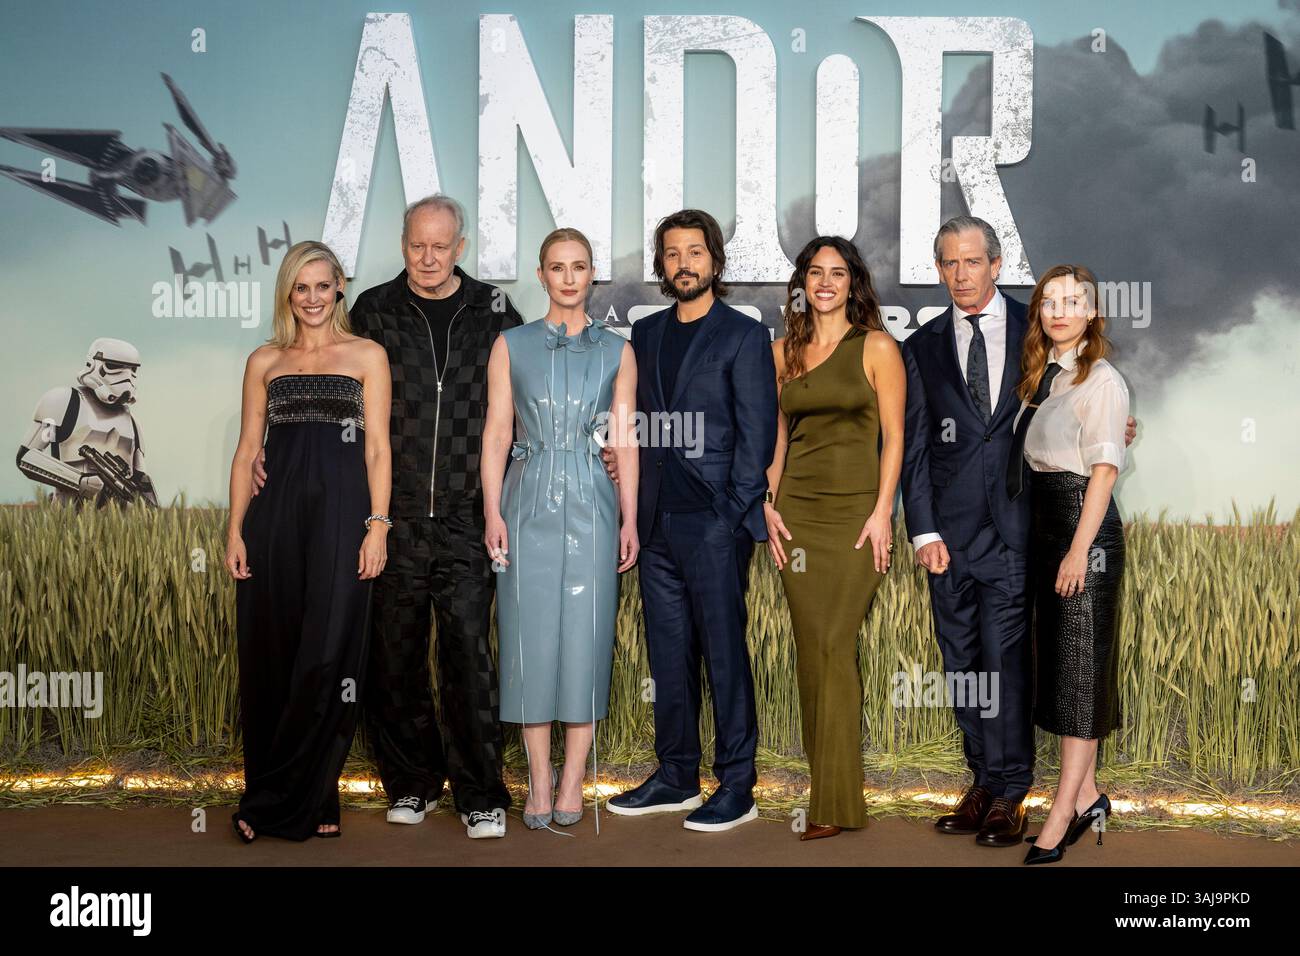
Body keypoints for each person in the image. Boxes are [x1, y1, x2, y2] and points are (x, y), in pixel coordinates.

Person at [251, 195, 522, 839]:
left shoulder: (495, 310)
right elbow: (325, 385)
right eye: (416, 245)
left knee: (469, 658)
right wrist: (269, 448)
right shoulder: (371, 309)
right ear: (403, 244)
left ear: (460, 247)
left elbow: (521, 400)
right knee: (393, 660)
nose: (427, 258)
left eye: (440, 247)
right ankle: (412, 782)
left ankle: (481, 795)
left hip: (465, 516)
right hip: (389, 518)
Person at [899, 216, 1136, 848]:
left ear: (997, 265)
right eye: (949, 263)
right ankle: (981, 780)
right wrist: (922, 531)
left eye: (972, 261)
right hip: (946, 537)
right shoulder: (920, 347)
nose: (961, 274)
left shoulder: (1036, 330)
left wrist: (1116, 429)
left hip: (1015, 533)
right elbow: (913, 448)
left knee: (1005, 663)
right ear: (939, 269)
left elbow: (1077, 406)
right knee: (961, 661)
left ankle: (1011, 790)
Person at [603, 209, 778, 832]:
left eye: (695, 252)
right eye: (673, 253)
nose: (684, 264)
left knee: (724, 653)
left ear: (715, 260)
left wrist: (730, 514)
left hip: (714, 522)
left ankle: (738, 785)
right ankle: (676, 774)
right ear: (661, 264)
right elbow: (634, 421)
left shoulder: (743, 335)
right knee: (669, 654)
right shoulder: (645, 334)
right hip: (655, 524)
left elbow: (758, 436)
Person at [225, 240, 392, 842]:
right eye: (302, 288)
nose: (313, 298)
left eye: (323, 285)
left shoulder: (367, 355)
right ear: (288, 294)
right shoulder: (264, 360)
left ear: (340, 287)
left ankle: (305, 795)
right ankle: (285, 799)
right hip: (274, 522)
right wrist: (235, 529)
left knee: (328, 657)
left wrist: (378, 525)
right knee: (273, 655)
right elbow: (247, 450)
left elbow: (378, 448)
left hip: (344, 521)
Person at [481, 228, 639, 830]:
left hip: (594, 501)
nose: (568, 277)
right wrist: (492, 511)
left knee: (586, 638)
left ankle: (574, 778)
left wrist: (629, 517)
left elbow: (624, 440)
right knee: (528, 638)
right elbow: (498, 432)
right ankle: (539, 778)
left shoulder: (619, 351)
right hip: (526, 500)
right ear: (541, 275)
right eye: (557, 267)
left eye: (578, 266)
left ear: (592, 273)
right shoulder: (510, 345)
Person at [763, 236, 905, 840]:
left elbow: (894, 438)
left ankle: (834, 801)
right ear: (802, 283)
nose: (826, 282)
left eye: (838, 273)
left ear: (853, 284)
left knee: (832, 645)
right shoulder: (781, 353)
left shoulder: (877, 347)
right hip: (797, 515)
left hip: (854, 518)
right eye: (815, 272)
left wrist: (882, 513)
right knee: (810, 650)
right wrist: (767, 502)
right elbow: (778, 439)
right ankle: (830, 796)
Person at [1011, 265, 1128, 865]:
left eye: (1072, 301)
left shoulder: (1102, 378)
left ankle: (1060, 816)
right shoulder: (1043, 377)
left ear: (1092, 313)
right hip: (1045, 527)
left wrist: (1080, 551)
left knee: (1080, 671)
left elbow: (1103, 472)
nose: (1059, 312)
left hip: (1085, 529)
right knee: (1060, 668)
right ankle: (1087, 797)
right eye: (1049, 302)